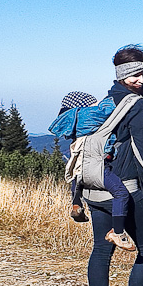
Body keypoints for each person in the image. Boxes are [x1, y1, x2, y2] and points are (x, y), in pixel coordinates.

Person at [83, 45, 143, 286]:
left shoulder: (103, 102)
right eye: (136, 74)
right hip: (125, 186)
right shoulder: (136, 104)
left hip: (95, 186)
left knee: (102, 249)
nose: (141, 79)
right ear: (123, 74)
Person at [48, 91, 136, 251]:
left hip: (81, 162)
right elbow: (108, 109)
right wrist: (108, 99)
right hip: (96, 165)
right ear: (84, 107)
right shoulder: (88, 117)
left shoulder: (74, 122)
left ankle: (76, 205)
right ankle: (117, 232)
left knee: (77, 177)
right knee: (121, 193)